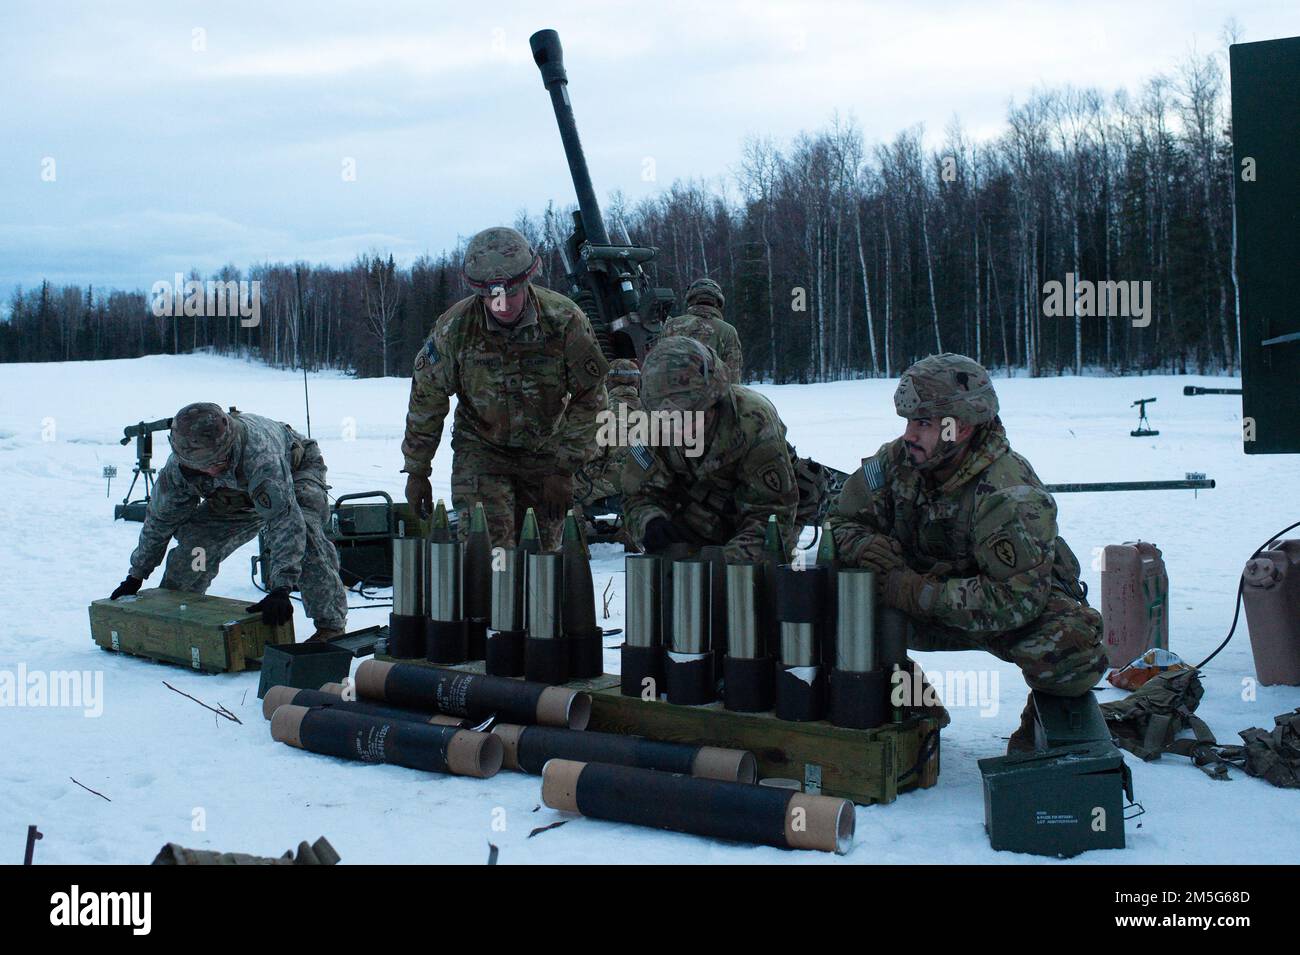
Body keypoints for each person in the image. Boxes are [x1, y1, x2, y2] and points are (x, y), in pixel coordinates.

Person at [826, 353, 1107, 752]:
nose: (909, 434)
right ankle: (910, 710)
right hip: (920, 602)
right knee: (830, 598)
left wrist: (917, 592)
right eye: (908, 421)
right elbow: (839, 521)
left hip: (995, 615)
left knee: (1071, 652)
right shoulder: (897, 460)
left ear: (959, 428)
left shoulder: (1010, 493)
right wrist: (865, 544)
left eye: (922, 423)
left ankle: (1045, 734)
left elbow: (1017, 600)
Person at [400, 226, 609, 550]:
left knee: (540, 557)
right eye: (491, 296)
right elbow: (428, 398)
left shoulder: (564, 320)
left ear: (527, 281)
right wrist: (417, 471)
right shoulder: (455, 329)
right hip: (481, 452)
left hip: (546, 455)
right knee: (489, 555)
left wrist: (564, 468)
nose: (501, 305)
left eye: (510, 294)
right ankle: (487, 600)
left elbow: (591, 398)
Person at [108, 403, 347, 641]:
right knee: (198, 544)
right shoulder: (178, 471)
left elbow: (284, 521)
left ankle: (330, 626)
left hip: (296, 472)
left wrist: (281, 588)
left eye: (218, 463)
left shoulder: (261, 455)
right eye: (205, 467)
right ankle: (177, 608)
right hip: (235, 497)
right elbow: (160, 521)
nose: (213, 471)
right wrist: (136, 574)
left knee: (305, 532)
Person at [622, 336, 798, 563]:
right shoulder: (651, 424)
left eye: (688, 416)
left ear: (712, 402)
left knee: (749, 582)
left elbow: (773, 514)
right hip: (700, 518)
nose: (678, 428)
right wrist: (650, 522)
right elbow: (638, 495)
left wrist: (724, 562)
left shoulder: (752, 420)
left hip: (754, 518)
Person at [574, 358, 642, 510]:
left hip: (616, 481)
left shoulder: (603, 411)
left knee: (568, 494)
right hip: (647, 480)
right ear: (637, 383)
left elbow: (589, 453)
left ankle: (577, 533)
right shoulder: (651, 409)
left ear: (608, 382)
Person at [660, 277, 743, 382]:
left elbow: (659, 367)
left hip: (672, 395)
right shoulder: (728, 331)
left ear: (691, 299)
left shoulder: (671, 326)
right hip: (712, 396)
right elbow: (733, 376)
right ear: (718, 302)